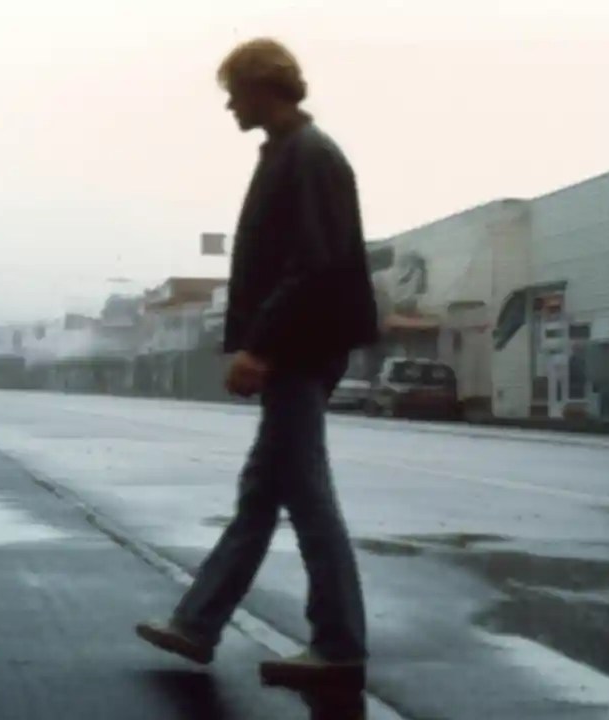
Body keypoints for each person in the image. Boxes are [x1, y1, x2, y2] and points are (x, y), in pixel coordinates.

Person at [135, 37, 380, 688]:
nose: (229, 107)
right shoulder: (289, 154)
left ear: (262, 86)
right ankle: (198, 623)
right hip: (297, 345)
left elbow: (313, 264)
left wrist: (259, 346)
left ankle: (338, 645)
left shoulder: (309, 156)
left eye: (233, 93)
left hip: (300, 348)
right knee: (263, 494)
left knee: (303, 493)